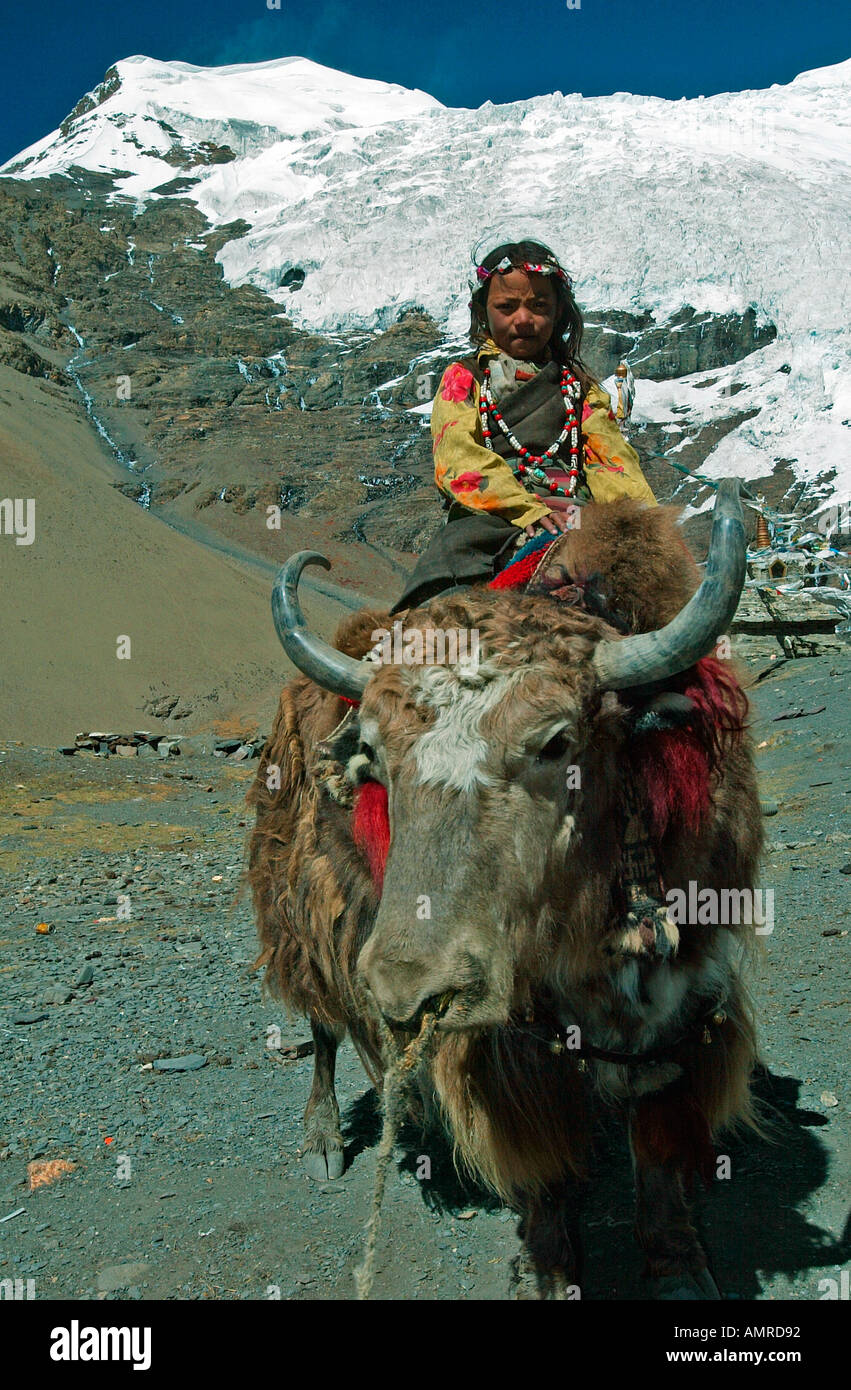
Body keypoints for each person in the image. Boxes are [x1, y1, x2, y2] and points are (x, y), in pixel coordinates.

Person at [391, 239, 655, 613]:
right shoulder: (463, 379)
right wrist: (527, 509)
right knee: (438, 617)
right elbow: (457, 458)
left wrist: (639, 527)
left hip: (577, 521)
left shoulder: (581, 390)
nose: (524, 319)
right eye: (506, 307)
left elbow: (613, 464)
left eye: (539, 306)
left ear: (559, 312)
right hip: (488, 526)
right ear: (482, 312)